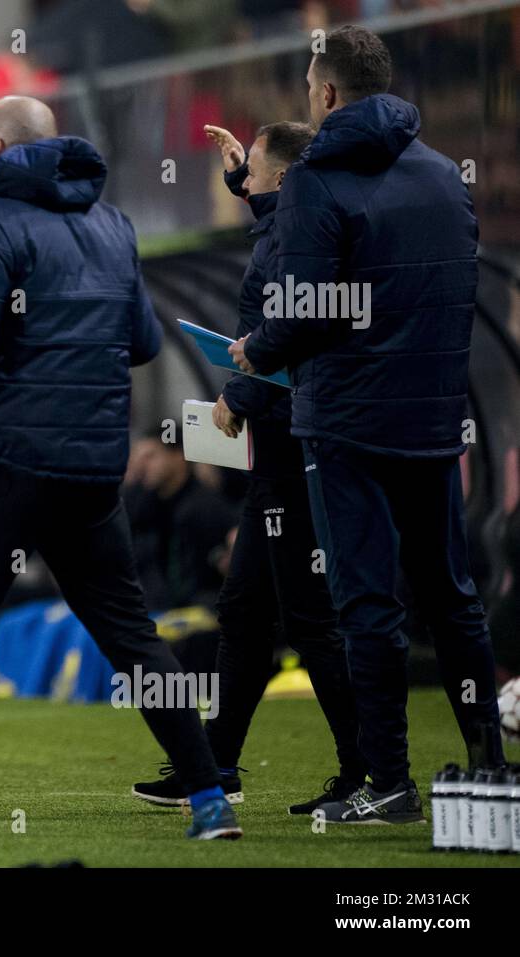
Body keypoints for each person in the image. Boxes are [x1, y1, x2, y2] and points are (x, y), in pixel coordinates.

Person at [0, 95, 242, 840]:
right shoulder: (111, 222)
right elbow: (144, 342)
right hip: (94, 466)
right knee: (131, 634)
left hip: (10, 459)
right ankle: (209, 797)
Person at [230, 26, 506, 823]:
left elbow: (306, 309)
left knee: (366, 606)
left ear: (323, 94)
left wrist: (256, 348)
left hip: (347, 421)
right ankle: (489, 763)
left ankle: (390, 782)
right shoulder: (443, 175)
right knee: (453, 599)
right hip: (433, 418)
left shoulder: (317, 178)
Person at [133, 121, 366, 815]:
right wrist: (244, 183)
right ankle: (218, 763)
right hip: (277, 449)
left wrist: (240, 389)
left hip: (293, 447)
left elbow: (292, 332)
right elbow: (280, 258)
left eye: (257, 171)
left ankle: (370, 770)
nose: (245, 182)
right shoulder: (289, 224)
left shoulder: (303, 236)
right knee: (246, 612)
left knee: (308, 618)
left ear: (286, 179)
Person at [124, 430, 238, 612]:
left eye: (151, 456)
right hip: (153, 607)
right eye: (138, 458)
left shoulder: (206, 508)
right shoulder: (145, 504)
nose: (141, 466)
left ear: (178, 456)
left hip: (195, 612)